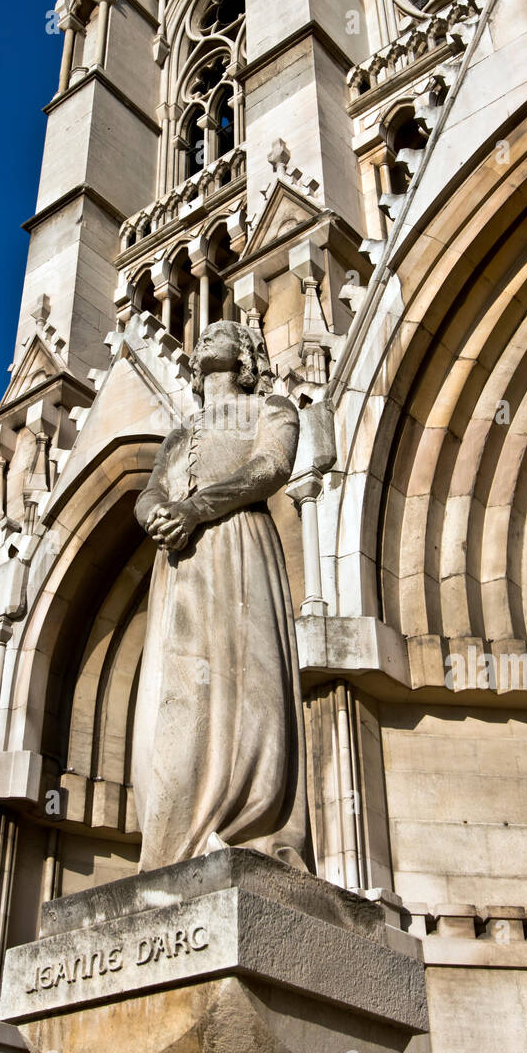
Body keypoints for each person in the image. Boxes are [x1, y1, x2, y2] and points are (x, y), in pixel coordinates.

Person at [132, 319, 312, 873]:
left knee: (245, 679)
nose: (207, 337)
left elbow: (271, 466)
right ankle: (173, 840)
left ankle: (246, 825)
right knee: (178, 695)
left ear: (247, 352)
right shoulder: (180, 435)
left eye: (224, 333)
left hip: (236, 547)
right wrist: (156, 517)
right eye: (204, 333)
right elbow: (150, 490)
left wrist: (196, 509)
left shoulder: (271, 407)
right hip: (182, 562)